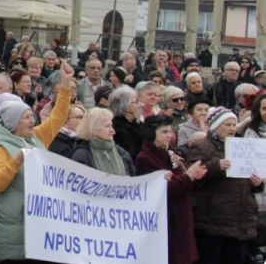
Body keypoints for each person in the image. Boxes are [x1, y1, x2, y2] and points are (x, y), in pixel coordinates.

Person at [0, 63, 74, 263]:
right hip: (15, 233)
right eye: (26, 118)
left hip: (39, 227)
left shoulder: (36, 137)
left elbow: (58, 118)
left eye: (31, 116)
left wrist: (66, 83)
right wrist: (17, 160)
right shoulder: (0, 147)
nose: (33, 121)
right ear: (13, 122)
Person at [187, 106, 264, 264]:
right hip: (213, 222)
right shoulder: (202, 146)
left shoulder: (241, 147)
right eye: (227, 125)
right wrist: (217, 166)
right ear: (215, 125)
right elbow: (193, 177)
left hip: (240, 220)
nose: (232, 129)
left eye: (234, 125)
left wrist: (257, 184)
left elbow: (244, 182)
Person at [135, 115, 207, 264]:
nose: (169, 135)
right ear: (150, 134)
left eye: (170, 131)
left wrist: (196, 178)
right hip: (167, 220)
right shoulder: (145, 158)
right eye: (164, 132)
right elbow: (162, 191)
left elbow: (184, 184)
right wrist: (188, 176)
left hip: (181, 216)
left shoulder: (171, 152)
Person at [70, 107, 135, 175]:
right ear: (93, 129)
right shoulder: (82, 155)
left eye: (111, 126)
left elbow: (132, 180)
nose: (113, 131)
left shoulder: (121, 152)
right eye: (107, 126)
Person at [108, 85, 146, 158]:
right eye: (135, 102)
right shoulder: (117, 128)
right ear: (126, 107)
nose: (139, 105)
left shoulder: (136, 123)